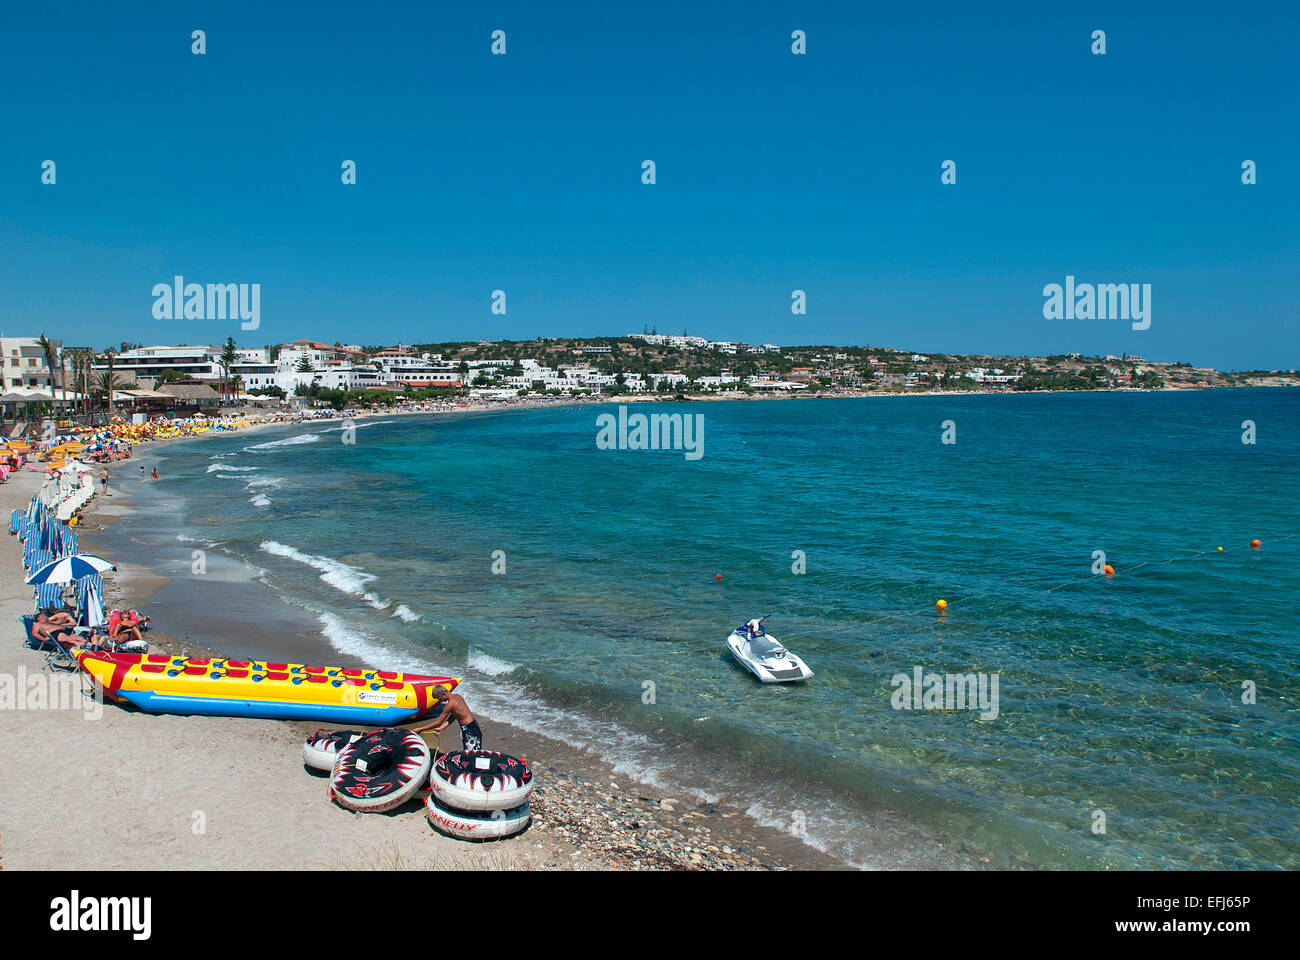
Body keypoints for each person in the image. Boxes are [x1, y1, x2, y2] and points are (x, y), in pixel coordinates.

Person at [411, 688, 483, 752]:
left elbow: (438, 723)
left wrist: (420, 729)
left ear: (444, 694)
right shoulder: (457, 696)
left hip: (470, 731)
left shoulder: (450, 705)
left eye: (440, 698)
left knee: (472, 755)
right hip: (473, 726)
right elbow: (454, 716)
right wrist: (441, 728)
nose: (440, 701)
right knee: (472, 752)